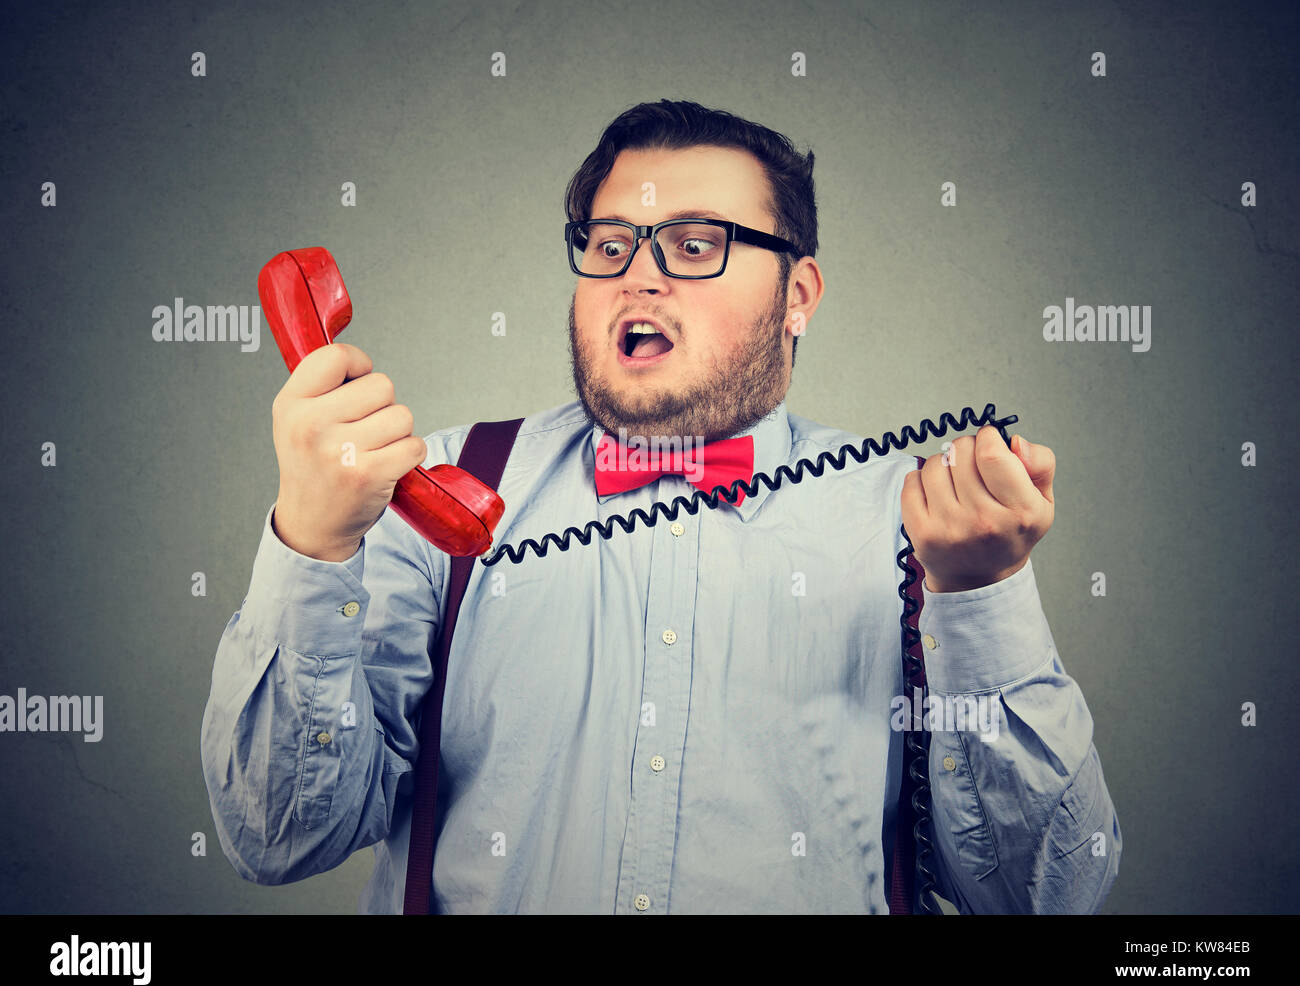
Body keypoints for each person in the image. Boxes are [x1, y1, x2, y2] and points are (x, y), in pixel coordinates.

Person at [201, 98, 1121, 914]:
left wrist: (980, 596)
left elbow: (1049, 892)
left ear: (797, 295)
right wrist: (314, 543)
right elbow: (276, 837)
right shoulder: (427, 484)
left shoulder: (920, 521)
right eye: (610, 245)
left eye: (694, 245)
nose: (638, 277)